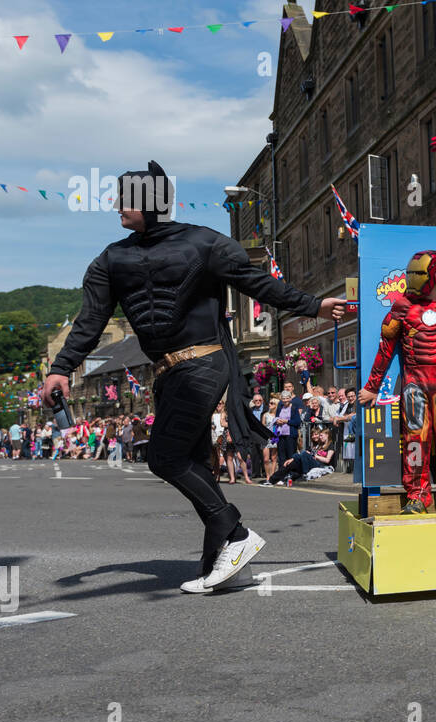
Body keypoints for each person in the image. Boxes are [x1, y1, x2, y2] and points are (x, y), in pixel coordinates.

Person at [43, 160, 350, 594]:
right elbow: (90, 322)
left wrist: (312, 305)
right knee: (198, 462)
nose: (115, 205)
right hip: (167, 373)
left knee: (164, 458)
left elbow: (257, 283)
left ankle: (238, 535)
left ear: (149, 204)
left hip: (204, 362)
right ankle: (220, 563)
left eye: (125, 199)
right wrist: (60, 368)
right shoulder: (110, 259)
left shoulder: (204, 243)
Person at [358, 250, 436, 515]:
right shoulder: (402, 306)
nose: (411, 278)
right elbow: (386, 347)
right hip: (414, 385)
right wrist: (372, 386)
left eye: (418, 273)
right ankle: (417, 496)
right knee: (415, 441)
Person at [263, 425, 336, 485]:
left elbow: (327, 460)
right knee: (291, 463)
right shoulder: (318, 445)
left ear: (327, 435)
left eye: (321, 435)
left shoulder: (330, 445)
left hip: (320, 465)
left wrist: (315, 456)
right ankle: (271, 480)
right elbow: (305, 454)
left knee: (304, 454)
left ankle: (304, 474)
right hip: (309, 463)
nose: (320, 437)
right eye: (319, 436)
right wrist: (292, 459)